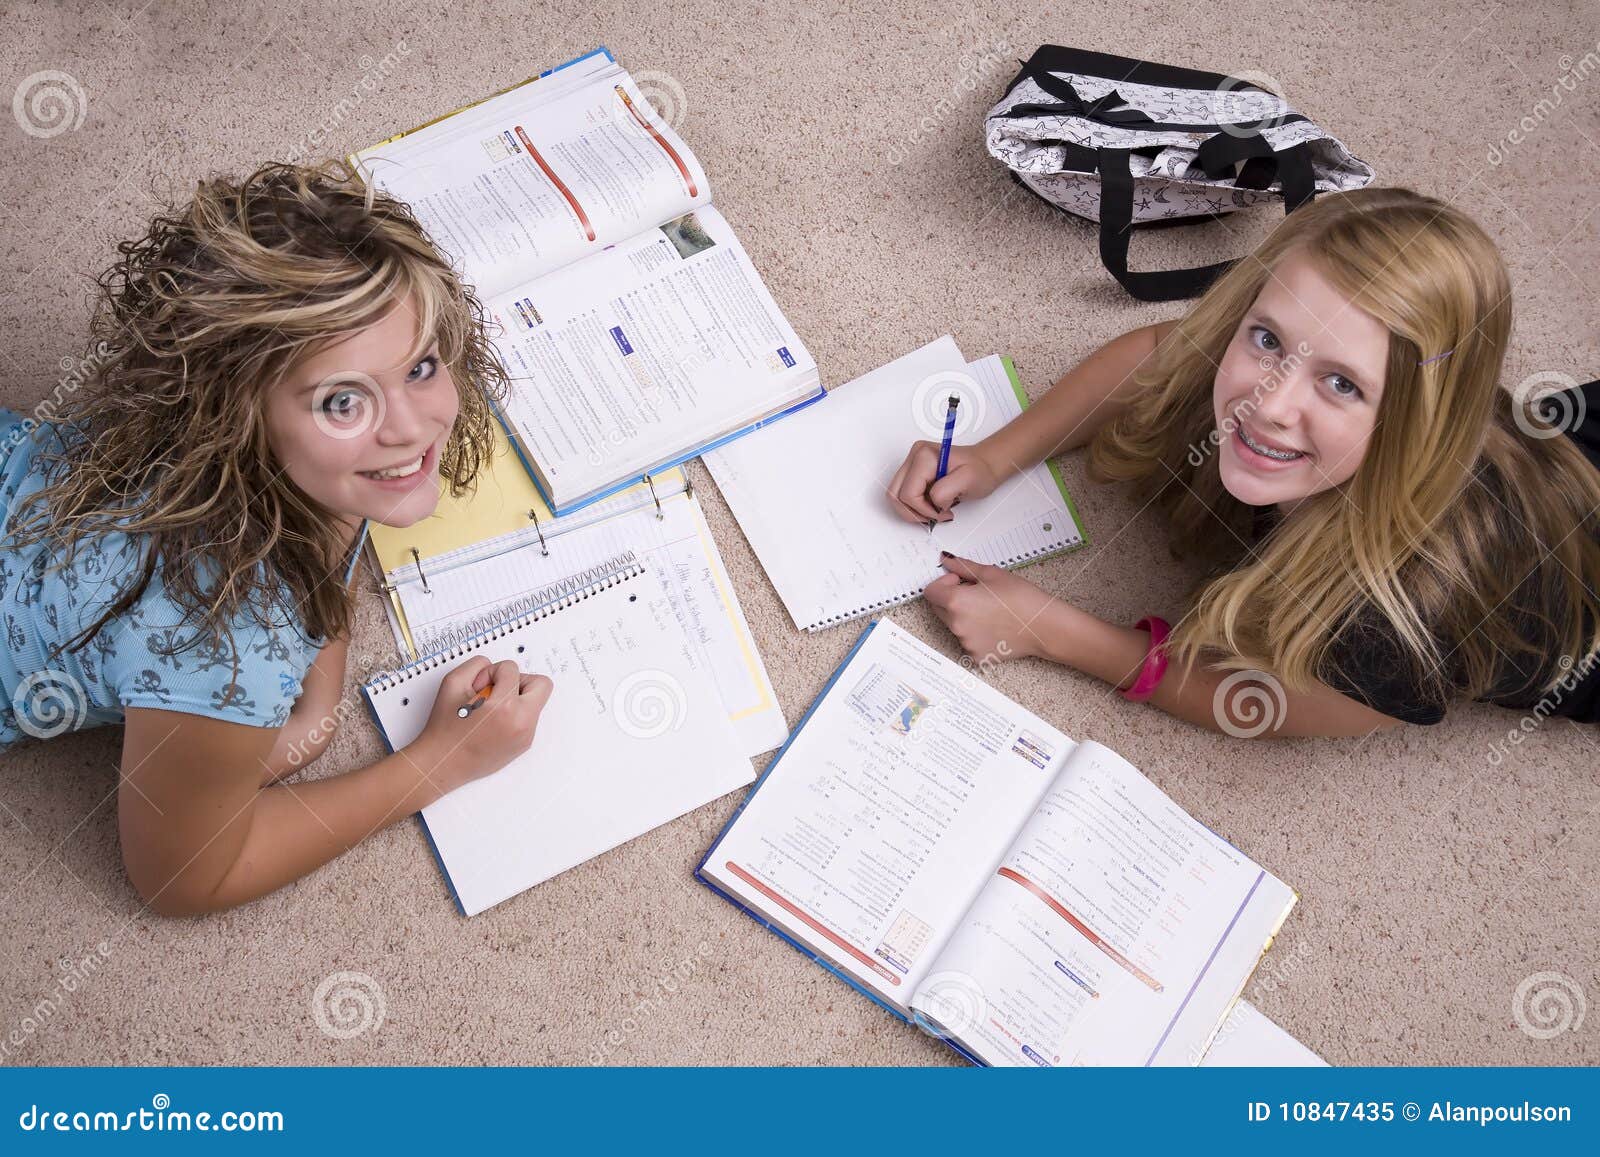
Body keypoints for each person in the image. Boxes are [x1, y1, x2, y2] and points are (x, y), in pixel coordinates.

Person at [0, 160, 554, 914]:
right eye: (340, 400)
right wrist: (441, 761)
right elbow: (183, 877)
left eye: (421, 365)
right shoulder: (217, 647)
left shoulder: (216, 444)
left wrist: (315, 713)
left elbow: (329, 525)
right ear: (233, 422)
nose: (411, 426)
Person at [887, 187, 1600, 735]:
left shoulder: (1405, 619)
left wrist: (1052, 630)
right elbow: (1159, 357)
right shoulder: (1278, 379)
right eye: (1266, 338)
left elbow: (1252, 701)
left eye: (1342, 383)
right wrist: (997, 454)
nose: (1268, 400)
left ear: (1422, 423)